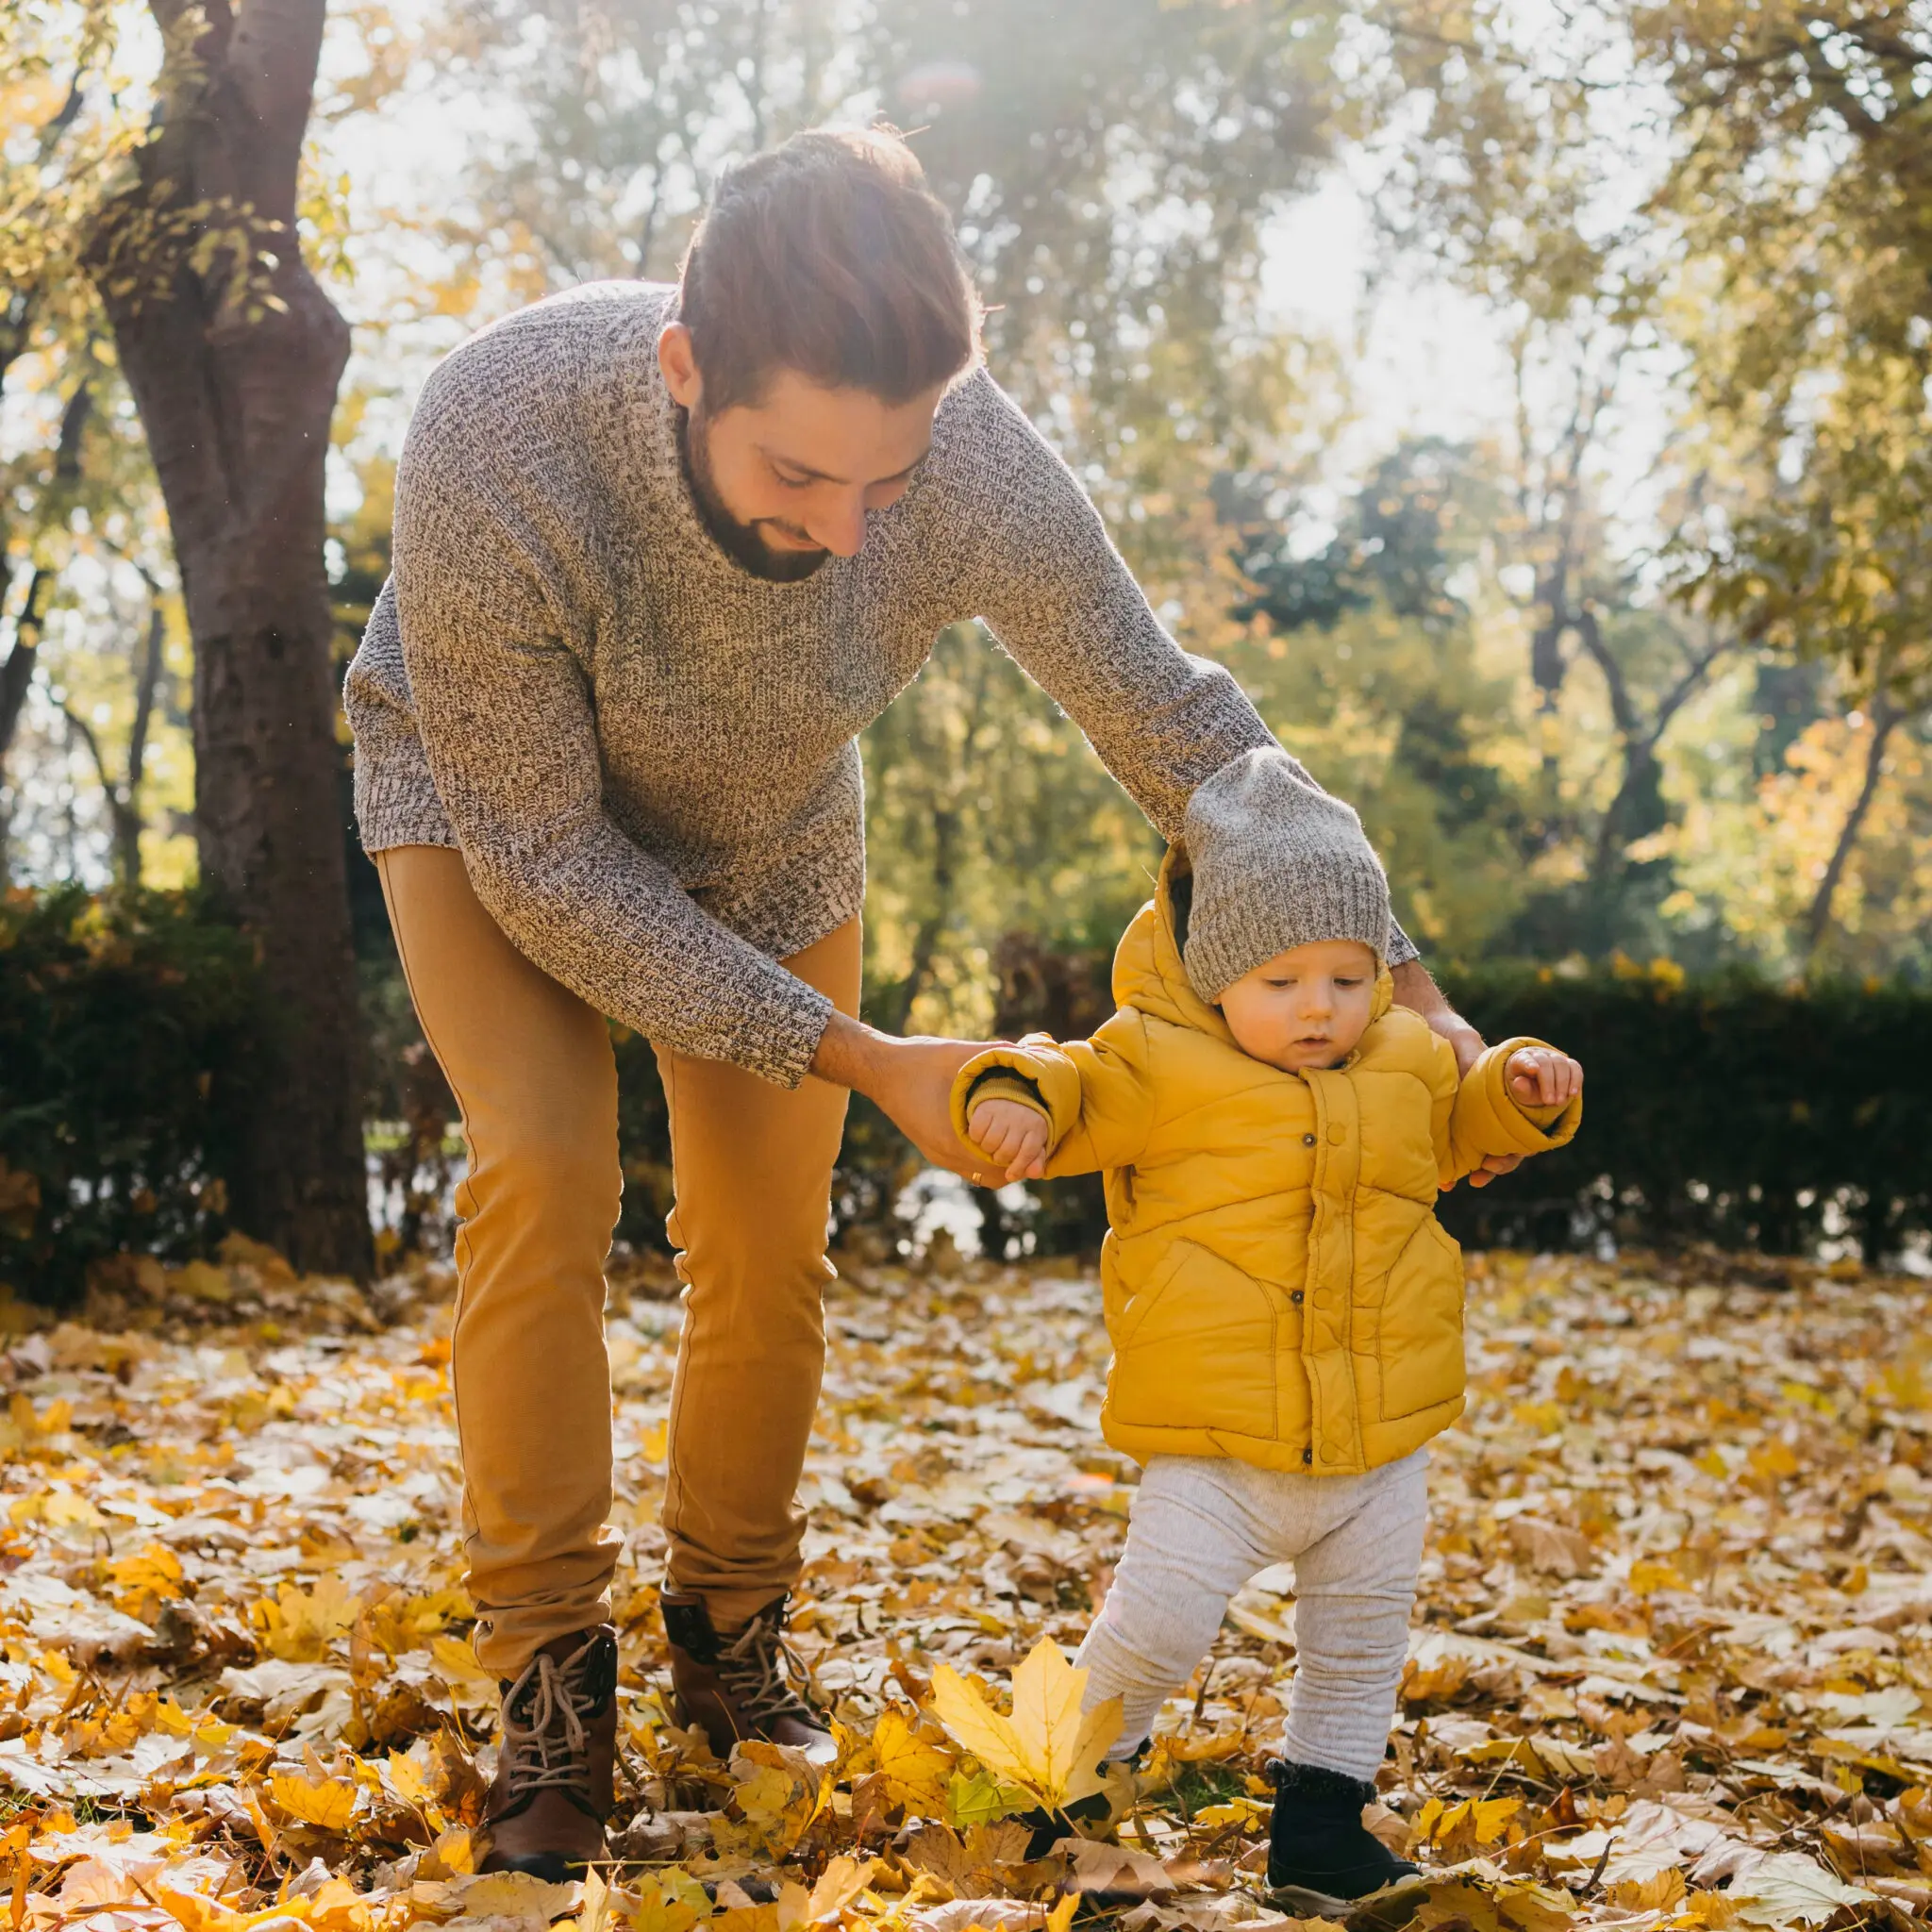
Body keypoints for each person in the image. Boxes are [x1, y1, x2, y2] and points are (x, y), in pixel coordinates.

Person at [344, 127, 1524, 1878]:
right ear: (685, 369)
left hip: (775, 831)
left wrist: (1421, 995)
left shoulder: (959, 454)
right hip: (494, 818)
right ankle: (546, 1668)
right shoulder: (498, 428)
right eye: (800, 477)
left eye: (881, 490)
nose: (843, 533)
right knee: (547, 1172)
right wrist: (868, 1053)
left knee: (765, 1233)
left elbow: (1179, 724)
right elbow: (548, 864)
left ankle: (727, 1629)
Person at [955, 747, 1583, 1910]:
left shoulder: (1401, 1061)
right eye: (1281, 979)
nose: (1318, 1007)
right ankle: (1059, 1790)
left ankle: (1321, 1829)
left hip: (1379, 1444)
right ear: (1214, 971)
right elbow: (1064, 1078)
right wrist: (1010, 1096)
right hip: (1214, 1446)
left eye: (1347, 978)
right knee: (1151, 1627)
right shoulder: (1157, 1057)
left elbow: (1457, 1133)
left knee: (1356, 1649)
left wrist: (1518, 1087)